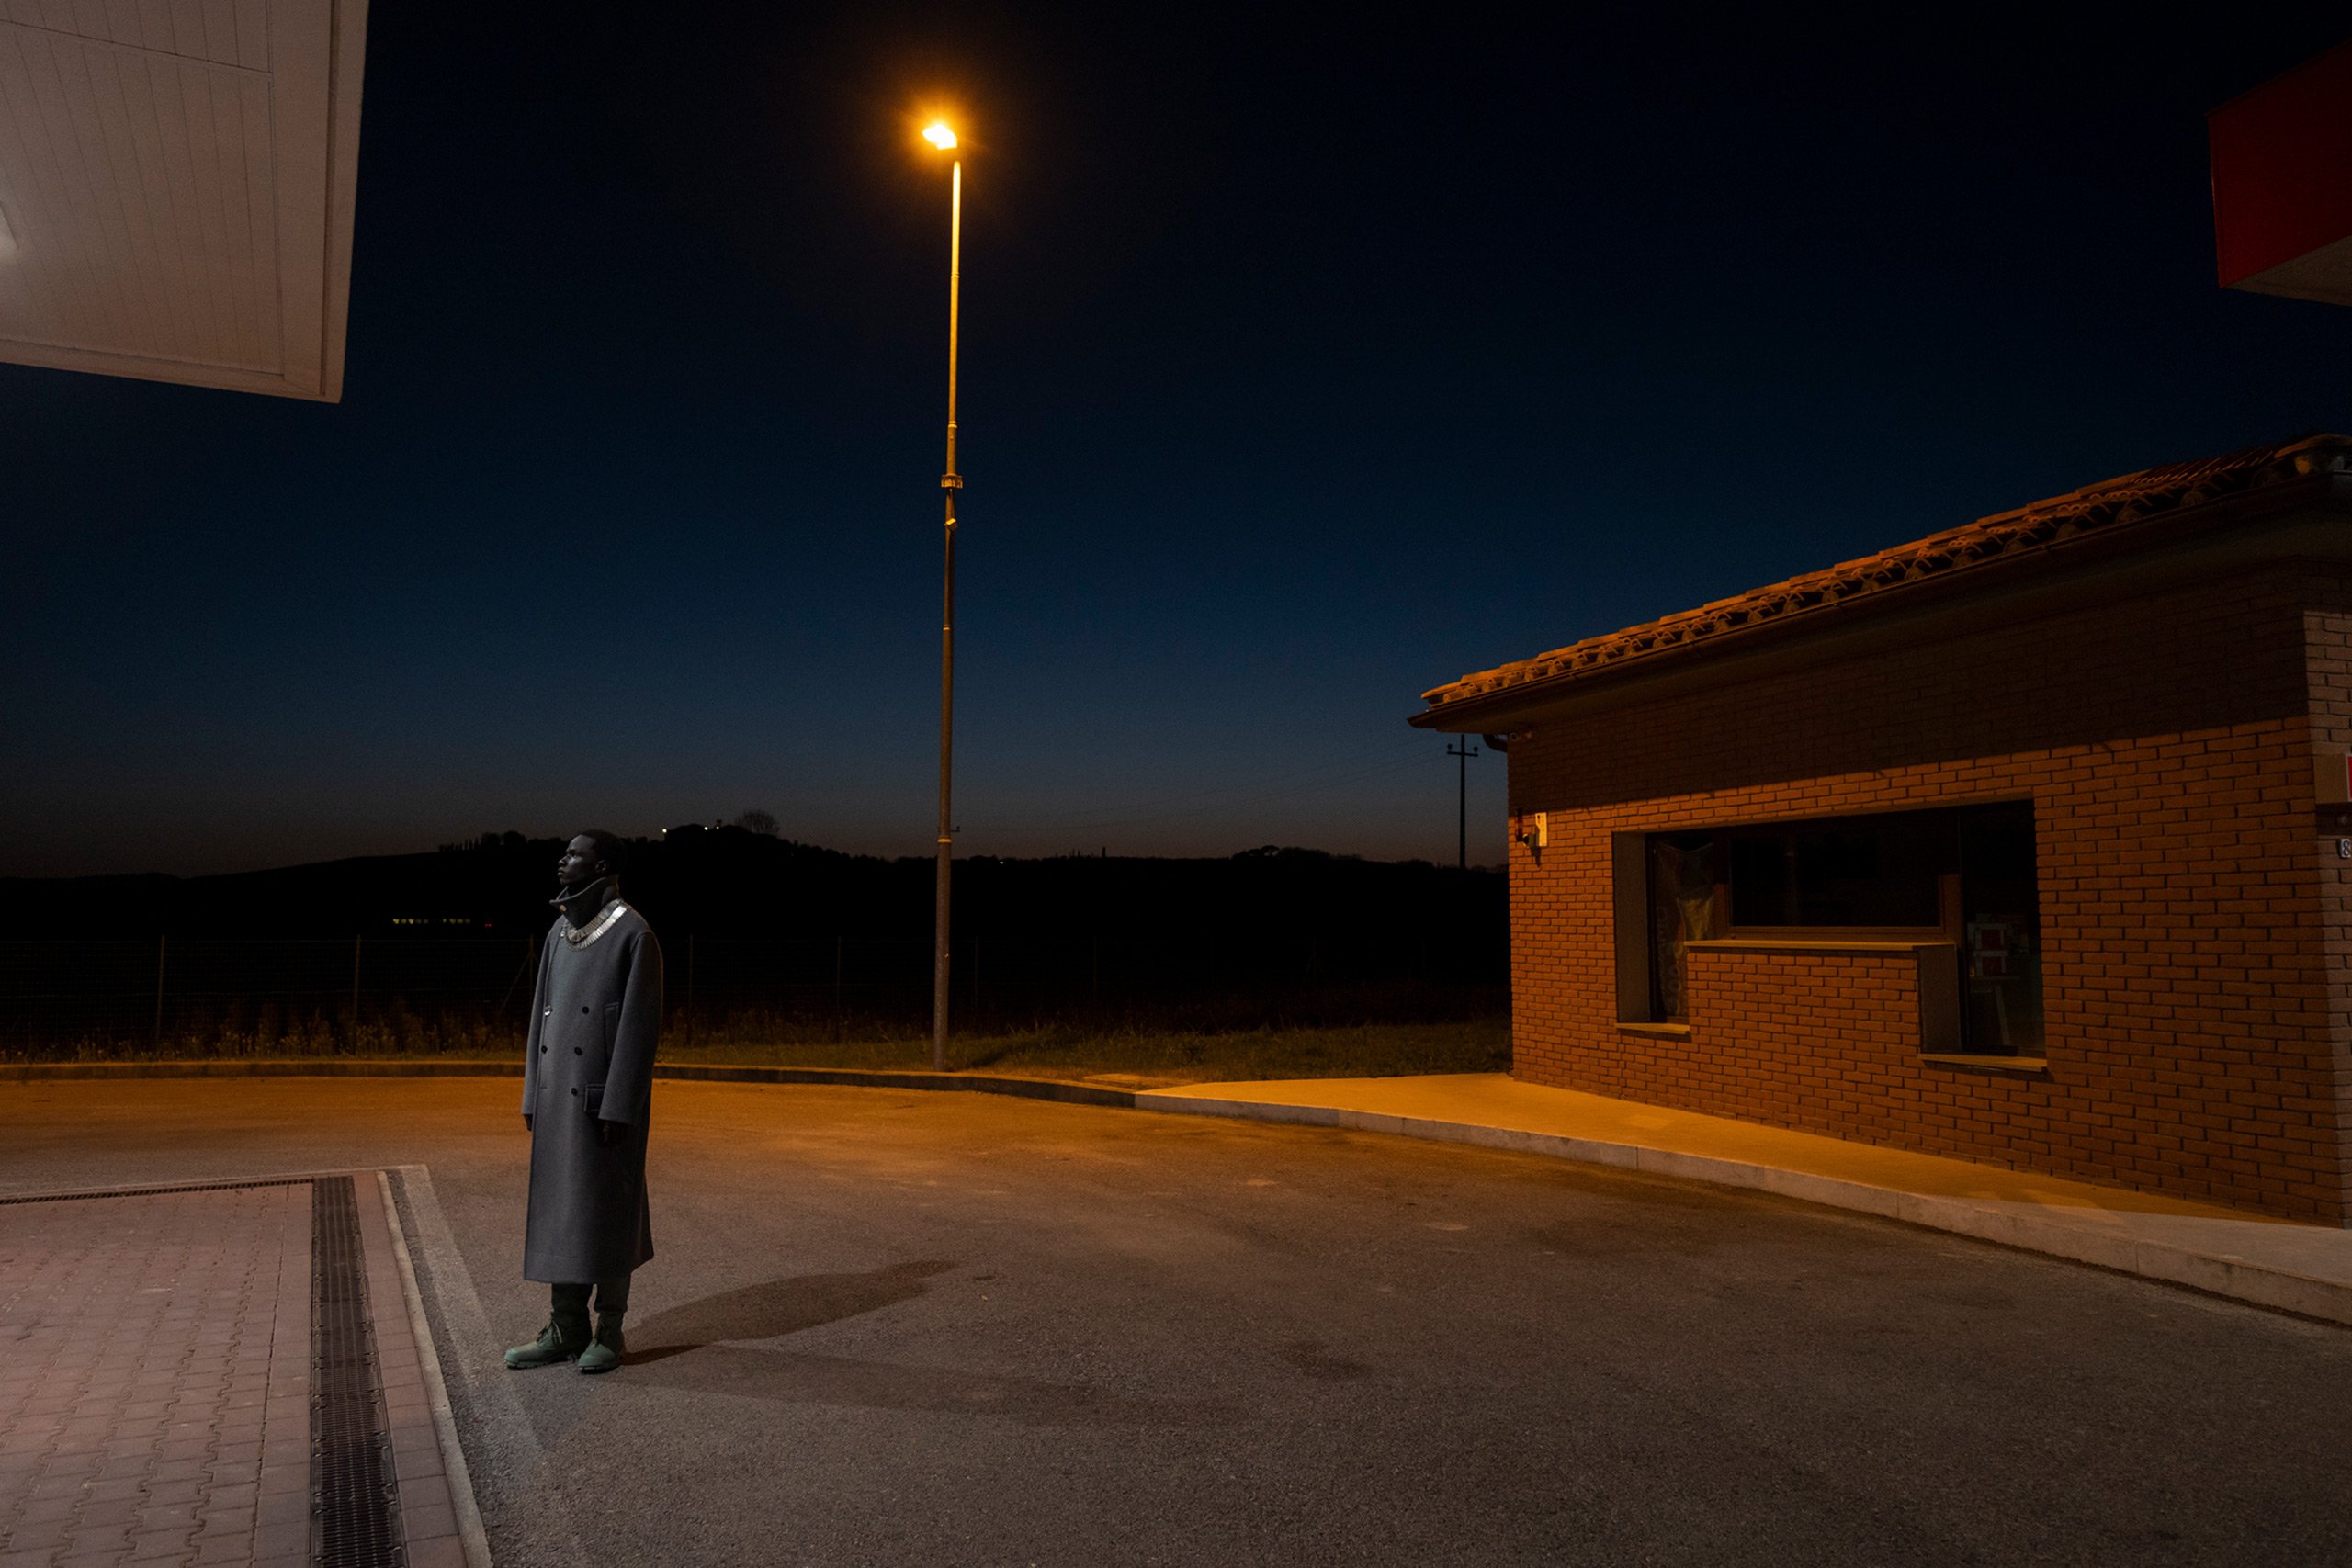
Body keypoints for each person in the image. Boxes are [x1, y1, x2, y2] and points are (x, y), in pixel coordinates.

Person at [503, 830, 662, 1375]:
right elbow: (539, 1017)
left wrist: (619, 1106)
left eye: (574, 854)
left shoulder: (633, 934)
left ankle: (609, 1332)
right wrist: (533, 1090)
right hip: (557, 1100)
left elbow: (639, 1034)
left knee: (608, 1212)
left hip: (602, 1106)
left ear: (603, 866)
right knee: (562, 1211)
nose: (562, 860)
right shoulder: (559, 931)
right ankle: (566, 1327)